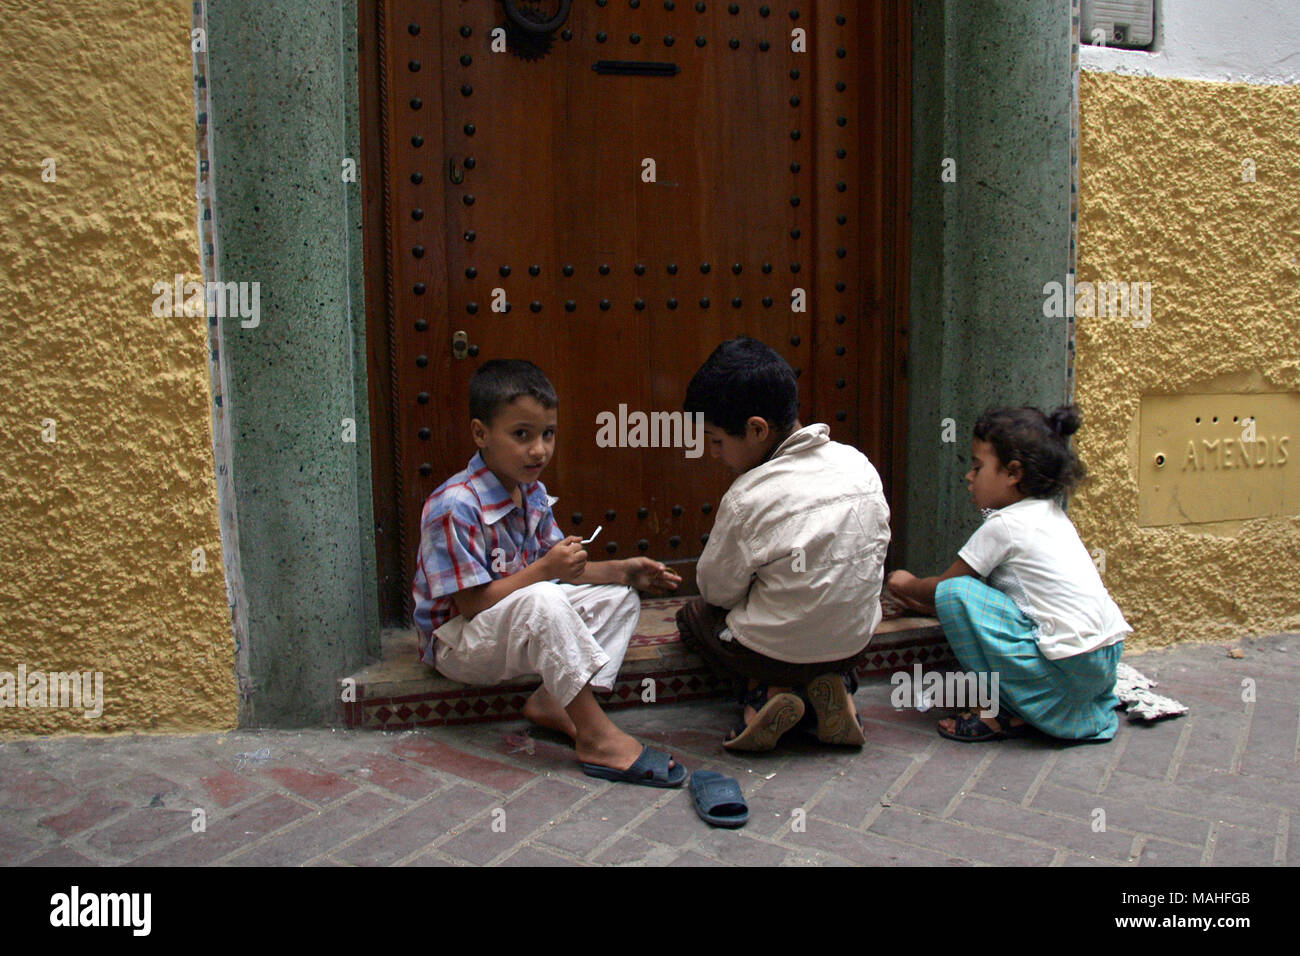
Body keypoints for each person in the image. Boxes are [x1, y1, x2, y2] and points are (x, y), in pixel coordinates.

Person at [412, 359, 687, 786]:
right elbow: (472, 605)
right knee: (544, 598)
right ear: (481, 433)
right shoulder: (455, 506)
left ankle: (552, 703)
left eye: (547, 434)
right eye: (521, 435)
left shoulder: (532, 493)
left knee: (616, 598)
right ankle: (594, 735)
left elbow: (564, 573)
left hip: (513, 623)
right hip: (459, 643)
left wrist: (622, 571)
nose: (538, 449)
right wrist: (544, 570)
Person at [675, 337, 891, 751]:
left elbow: (716, 590)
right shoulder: (859, 465)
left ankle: (763, 696)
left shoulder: (747, 496)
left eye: (717, 440)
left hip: (771, 652)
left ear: (757, 429)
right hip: (853, 643)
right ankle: (837, 689)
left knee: (695, 618)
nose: (713, 453)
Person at [886, 405, 1130, 742]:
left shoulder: (1005, 525)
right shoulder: (1050, 514)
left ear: (1013, 473)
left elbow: (947, 586)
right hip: (1103, 665)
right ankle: (1045, 706)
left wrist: (907, 584)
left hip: (1069, 667)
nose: (969, 477)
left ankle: (1000, 710)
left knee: (955, 593)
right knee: (978, 595)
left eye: (977, 467)